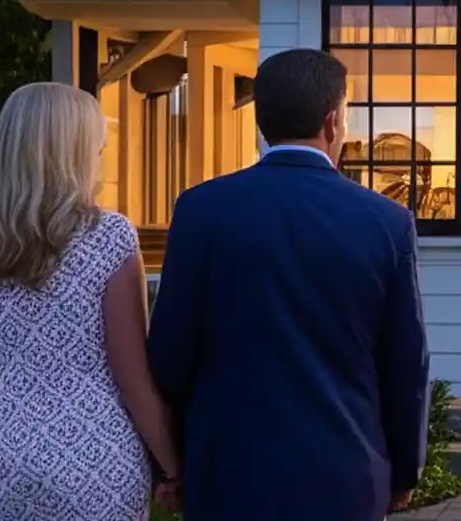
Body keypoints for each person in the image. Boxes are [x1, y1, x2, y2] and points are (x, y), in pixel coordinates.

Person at [147, 49, 430, 521]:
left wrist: (173, 462)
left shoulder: (201, 210)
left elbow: (171, 354)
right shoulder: (385, 221)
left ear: (261, 122)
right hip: (344, 474)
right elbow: (405, 364)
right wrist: (404, 471)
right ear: (333, 121)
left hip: (229, 473)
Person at [0, 82, 182, 521]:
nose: (99, 161)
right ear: (71, 152)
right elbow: (133, 379)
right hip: (98, 453)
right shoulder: (109, 236)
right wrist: (173, 466)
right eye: (97, 150)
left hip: (4, 454)